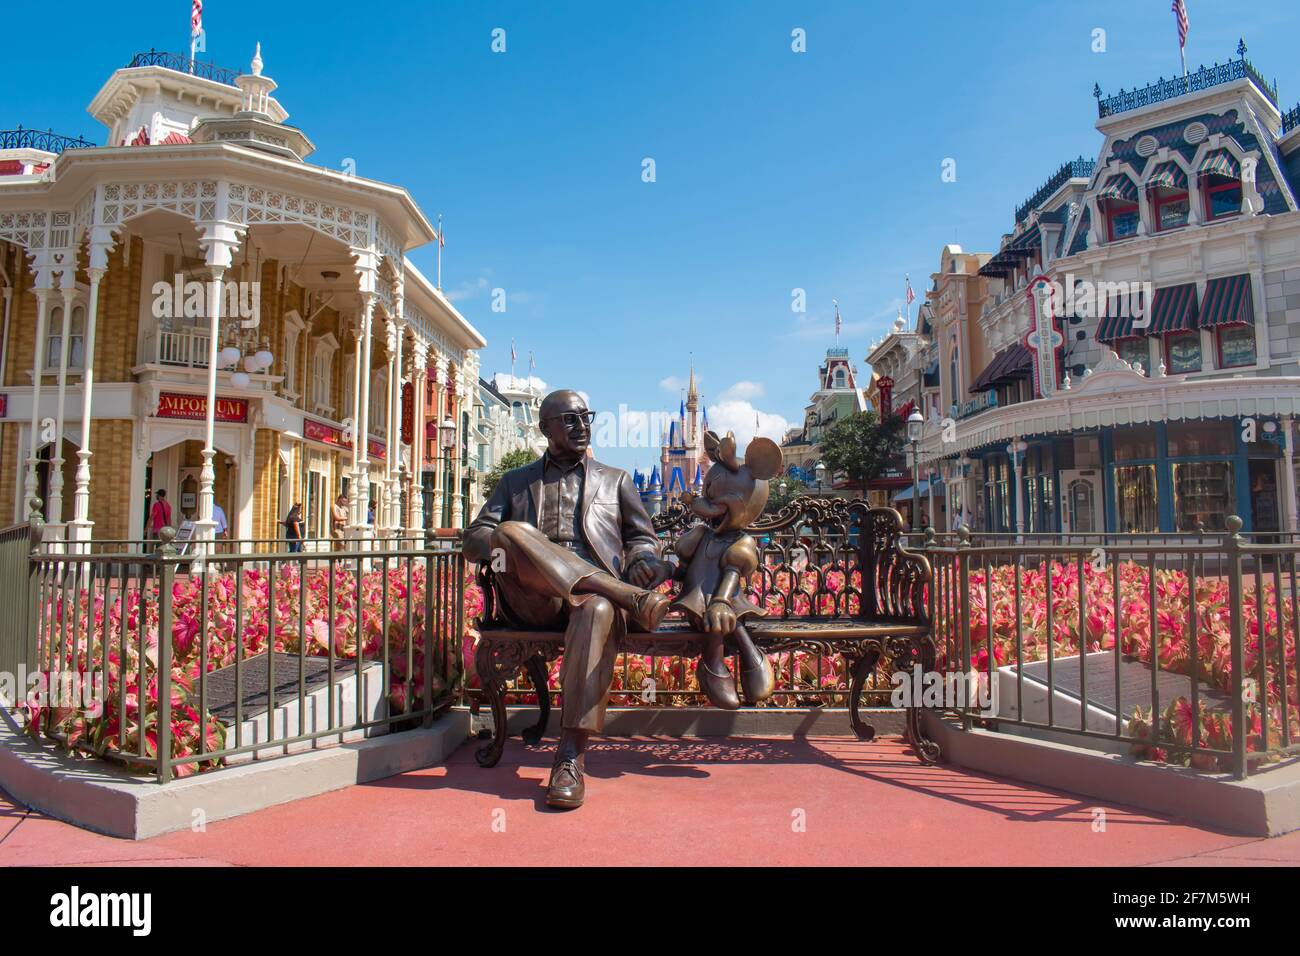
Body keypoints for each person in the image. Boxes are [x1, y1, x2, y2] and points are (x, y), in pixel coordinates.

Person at [465, 388, 674, 810]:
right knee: (511, 532)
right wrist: (514, 544)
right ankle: (622, 593)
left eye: (586, 417)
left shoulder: (616, 480)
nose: (582, 426)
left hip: (589, 607)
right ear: (546, 428)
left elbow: (643, 539)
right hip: (532, 601)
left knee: (597, 607)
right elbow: (473, 539)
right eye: (570, 419)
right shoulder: (515, 481)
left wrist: (642, 559)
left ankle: (569, 758)